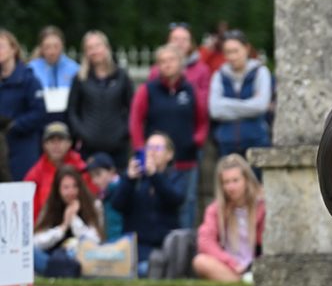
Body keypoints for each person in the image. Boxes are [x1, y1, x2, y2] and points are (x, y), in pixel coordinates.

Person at [132, 45, 209, 229]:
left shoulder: (191, 90)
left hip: (185, 160)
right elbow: (135, 121)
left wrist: (197, 140)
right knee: (154, 203)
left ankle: (183, 249)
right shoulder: (147, 90)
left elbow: (202, 120)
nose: (167, 65)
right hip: (156, 163)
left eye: (171, 60)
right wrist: (141, 151)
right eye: (162, 61)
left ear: (181, 63)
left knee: (186, 205)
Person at [110, 131, 187, 277]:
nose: (151, 153)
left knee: (149, 268)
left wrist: (154, 175)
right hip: (136, 245)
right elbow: (117, 205)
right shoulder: (135, 178)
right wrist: (128, 179)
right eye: (149, 148)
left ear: (169, 155)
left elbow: (175, 198)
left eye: (157, 148)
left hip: (165, 245)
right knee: (142, 269)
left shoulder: (176, 177)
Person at [192, 154, 265, 283]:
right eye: (226, 182)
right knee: (200, 261)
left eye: (235, 180)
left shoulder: (262, 205)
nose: (231, 187)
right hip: (230, 267)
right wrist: (232, 263)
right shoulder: (215, 210)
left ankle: (247, 280)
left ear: (246, 180)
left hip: (257, 265)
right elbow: (205, 241)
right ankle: (242, 282)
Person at [66, 30, 134, 162]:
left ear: (106, 47)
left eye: (97, 46)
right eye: (89, 48)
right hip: (89, 147)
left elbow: (132, 108)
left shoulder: (121, 76)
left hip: (118, 147)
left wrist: (124, 132)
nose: (94, 51)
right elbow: (72, 111)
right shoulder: (80, 79)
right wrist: (82, 133)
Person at [209, 30, 273, 157]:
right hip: (226, 144)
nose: (232, 57)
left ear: (246, 49)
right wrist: (248, 104)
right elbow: (215, 110)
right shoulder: (218, 75)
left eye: (235, 51)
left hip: (257, 143)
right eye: (228, 52)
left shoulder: (260, 72)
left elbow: (260, 106)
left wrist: (226, 105)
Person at [32, 167, 103, 277]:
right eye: (66, 188)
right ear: (58, 190)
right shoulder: (50, 207)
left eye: (75, 186)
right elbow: (36, 242)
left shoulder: (93, 205)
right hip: (52, 260)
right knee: (32, 252)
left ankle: (65, 272)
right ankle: (60, 271)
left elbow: (95, 241)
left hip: (82, 260)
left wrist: (74, 219)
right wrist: (63, 227)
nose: (71, 192)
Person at [0, 29, 46, 180]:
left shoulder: (29, 80)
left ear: (14, 49)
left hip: (23, 147)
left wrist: (15, 125)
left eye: (1, 46)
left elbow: (39, 112)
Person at [25, 122, 90, 221]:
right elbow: (29, 211)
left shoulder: (81, 169)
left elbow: (90, 201)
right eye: (51, 141)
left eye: (60, 140)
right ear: (44, 145)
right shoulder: (35, 174)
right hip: (47, 227)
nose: (56, 145)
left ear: (69, 143)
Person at [27, 26, 78, 124]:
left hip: (67, 120)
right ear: (41, 48)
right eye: (47, 47)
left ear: (62, 45)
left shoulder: (74, 69)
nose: (52, 51)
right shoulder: (31, 69)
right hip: (40, 120)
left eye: (56, 46)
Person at [150, 23, 214, 100]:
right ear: (168, 42)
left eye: (184, 39)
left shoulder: (203, 70)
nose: (180, 43)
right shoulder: (157, 70)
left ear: (191, 43)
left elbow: (204, 100)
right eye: (176, 39)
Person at [86, 153, 123, 242]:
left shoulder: (122, 191)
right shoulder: (104, 194)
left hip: (122, 245)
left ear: (112, 171)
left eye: (98, 174)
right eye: (92, 176)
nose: (94, 181)